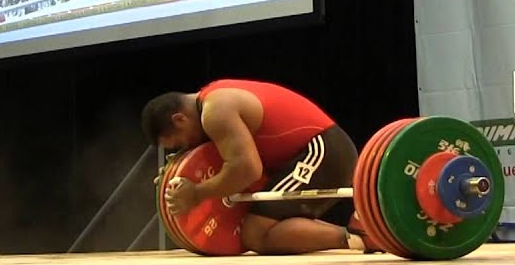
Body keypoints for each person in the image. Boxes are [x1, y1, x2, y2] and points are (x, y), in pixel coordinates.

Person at [141, 79, 370, 256]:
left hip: (323, 150)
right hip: (307, 153)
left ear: (179, 119)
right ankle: (360, 232)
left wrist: (196, 193)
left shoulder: (215, 112)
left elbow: (247, 169)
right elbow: (219, 159)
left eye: (180, 144)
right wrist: (177, 175)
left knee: (255, 232)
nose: (185, 148)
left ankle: (360, 237)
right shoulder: (210, 98)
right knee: (262, 227)